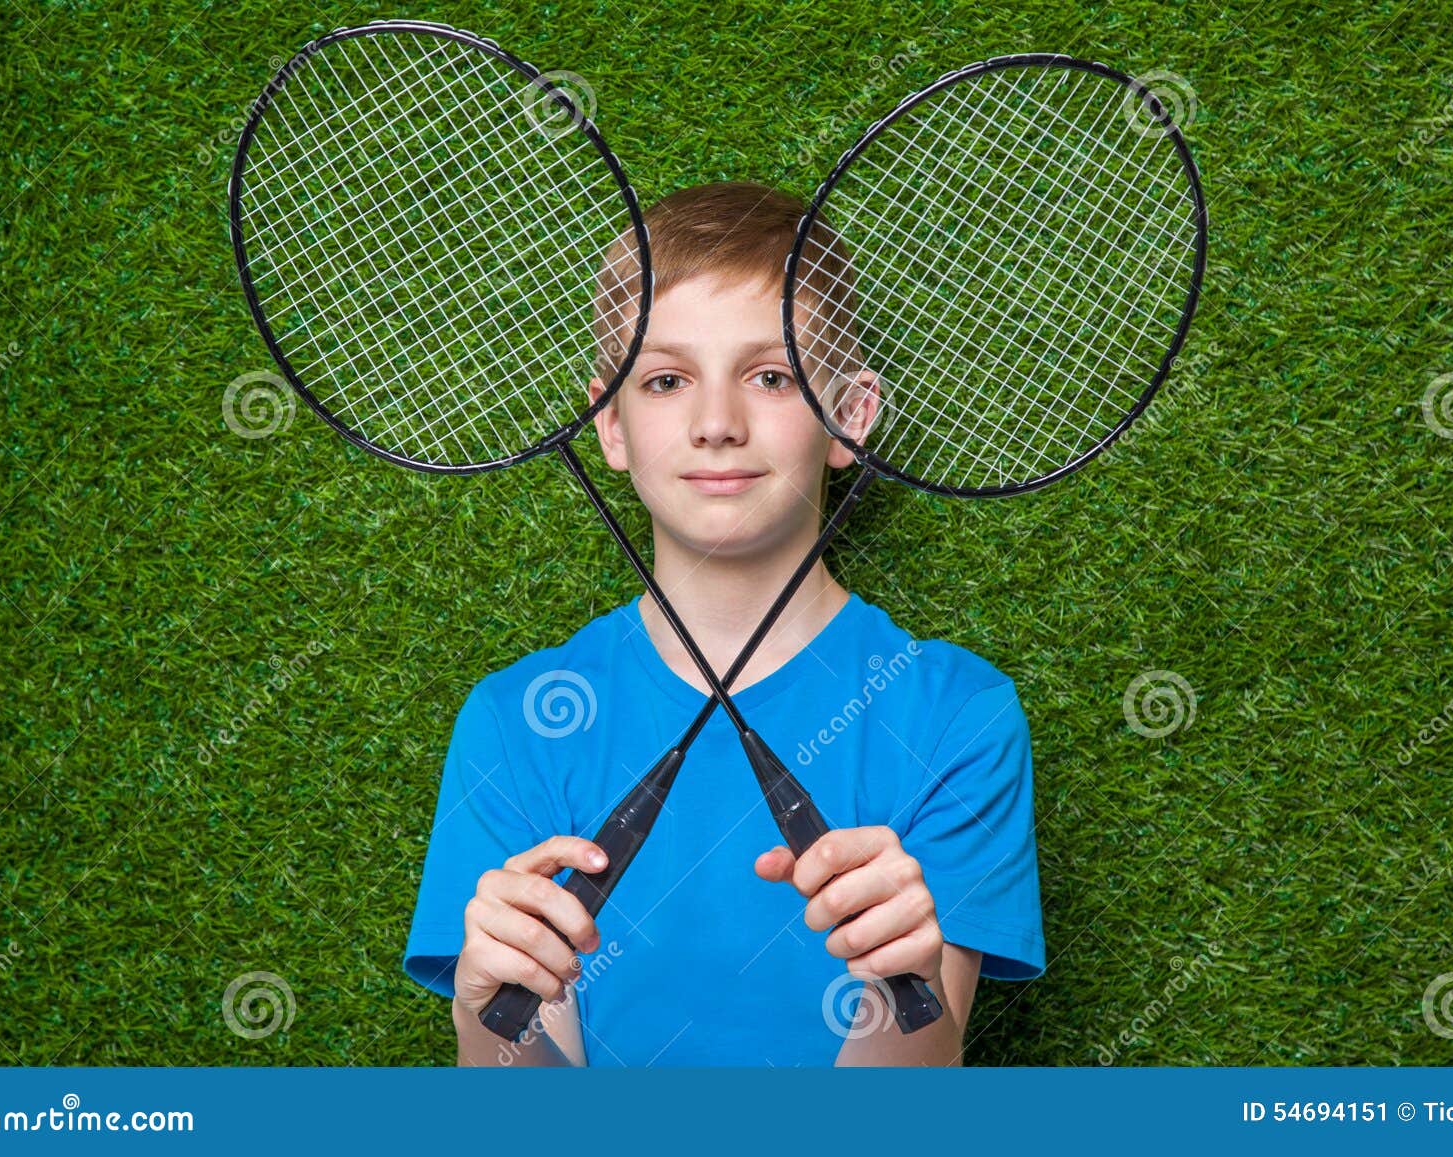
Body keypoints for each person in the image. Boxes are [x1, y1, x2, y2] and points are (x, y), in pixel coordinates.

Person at [403, 181, 1044, 1066]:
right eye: (666, 380)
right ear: (610, 424)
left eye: (771, 375)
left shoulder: (957, 715)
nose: (715, 424)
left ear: (850, 417)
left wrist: (912, 984)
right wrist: (484, 1013)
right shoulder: (516, 722)